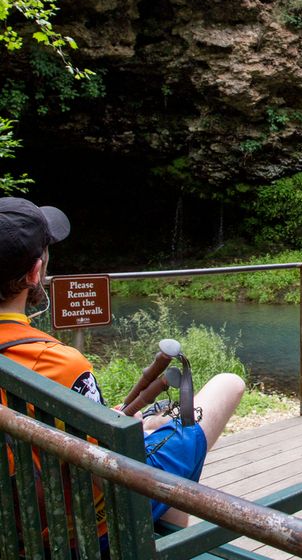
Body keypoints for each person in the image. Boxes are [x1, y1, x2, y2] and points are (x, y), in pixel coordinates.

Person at [0, 196, 245, 529]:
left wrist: (108, 423)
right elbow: (111, 471)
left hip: (13, 526)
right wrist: (126, 435)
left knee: (152, 425)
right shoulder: (57, 363)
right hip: (79, 533)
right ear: (35, 271)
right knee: (226, 385)